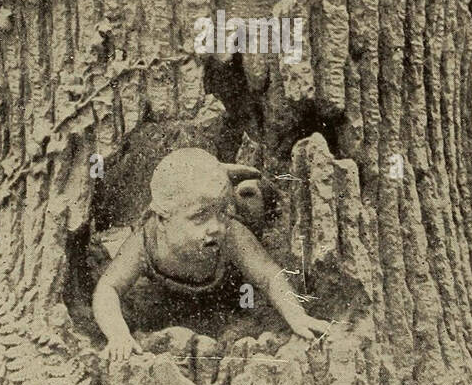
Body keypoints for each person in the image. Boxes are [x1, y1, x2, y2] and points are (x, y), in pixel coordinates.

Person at [92, 149, 329, 362]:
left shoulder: (231, 233)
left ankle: (234, 188)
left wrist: (296, 315)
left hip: (226, 289)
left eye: (221, 213)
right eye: (199, 217)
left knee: (253, 200)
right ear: (163, 219)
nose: (215, 227)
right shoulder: (145, 243)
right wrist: (118, 335)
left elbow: (268, 275)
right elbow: (107, 288)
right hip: (171, 289)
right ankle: (214, 176)